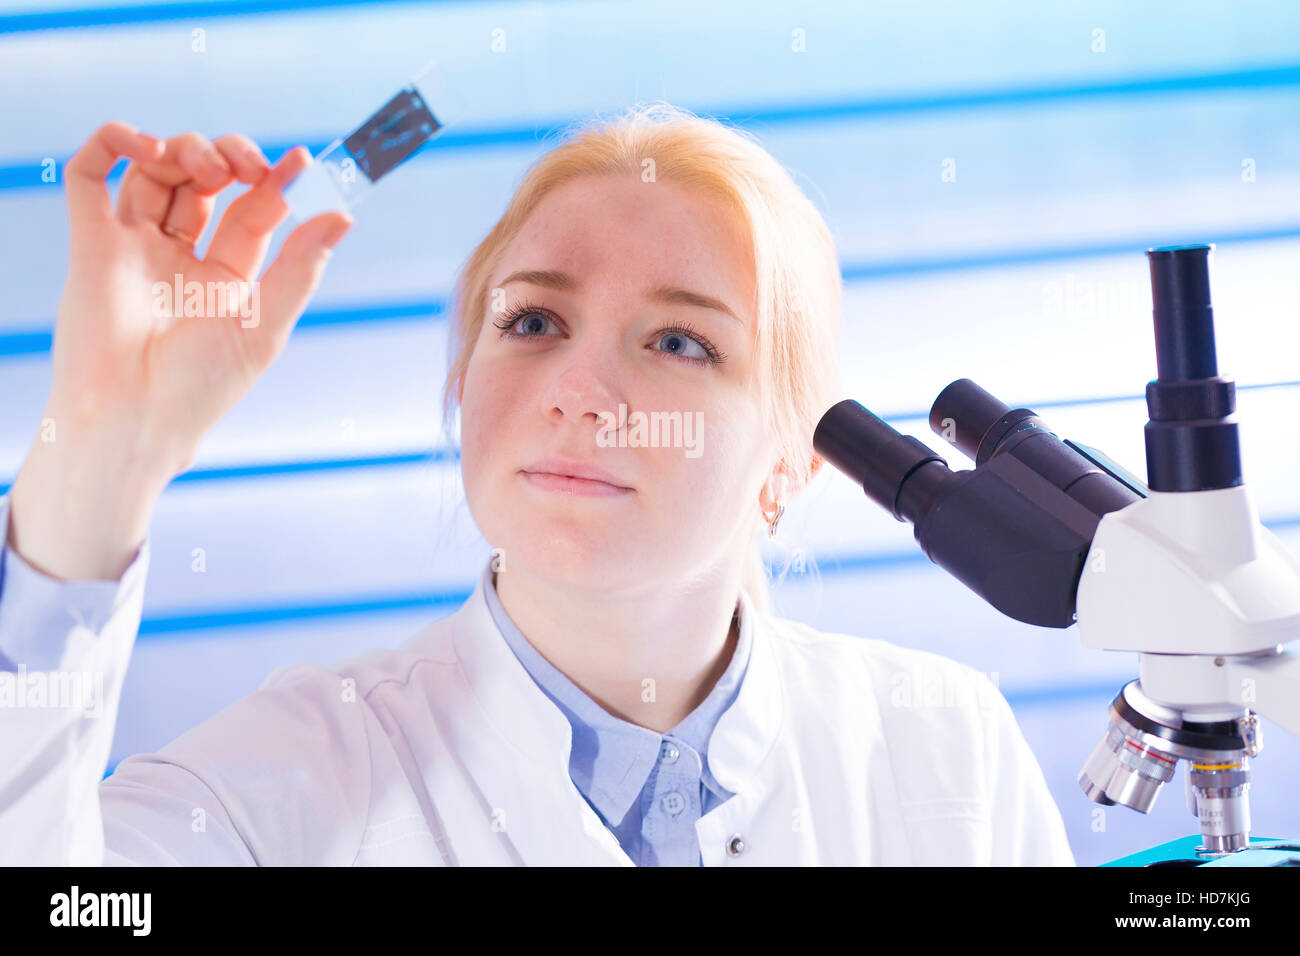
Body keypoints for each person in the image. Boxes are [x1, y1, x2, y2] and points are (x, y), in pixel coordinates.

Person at [0, 104, 1076, 866]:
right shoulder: (268, 791)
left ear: (795, 456)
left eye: (680, 341)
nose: (578, 392)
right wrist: (100, 451)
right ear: (461, 381)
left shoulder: (947, 749)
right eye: (532, 321)